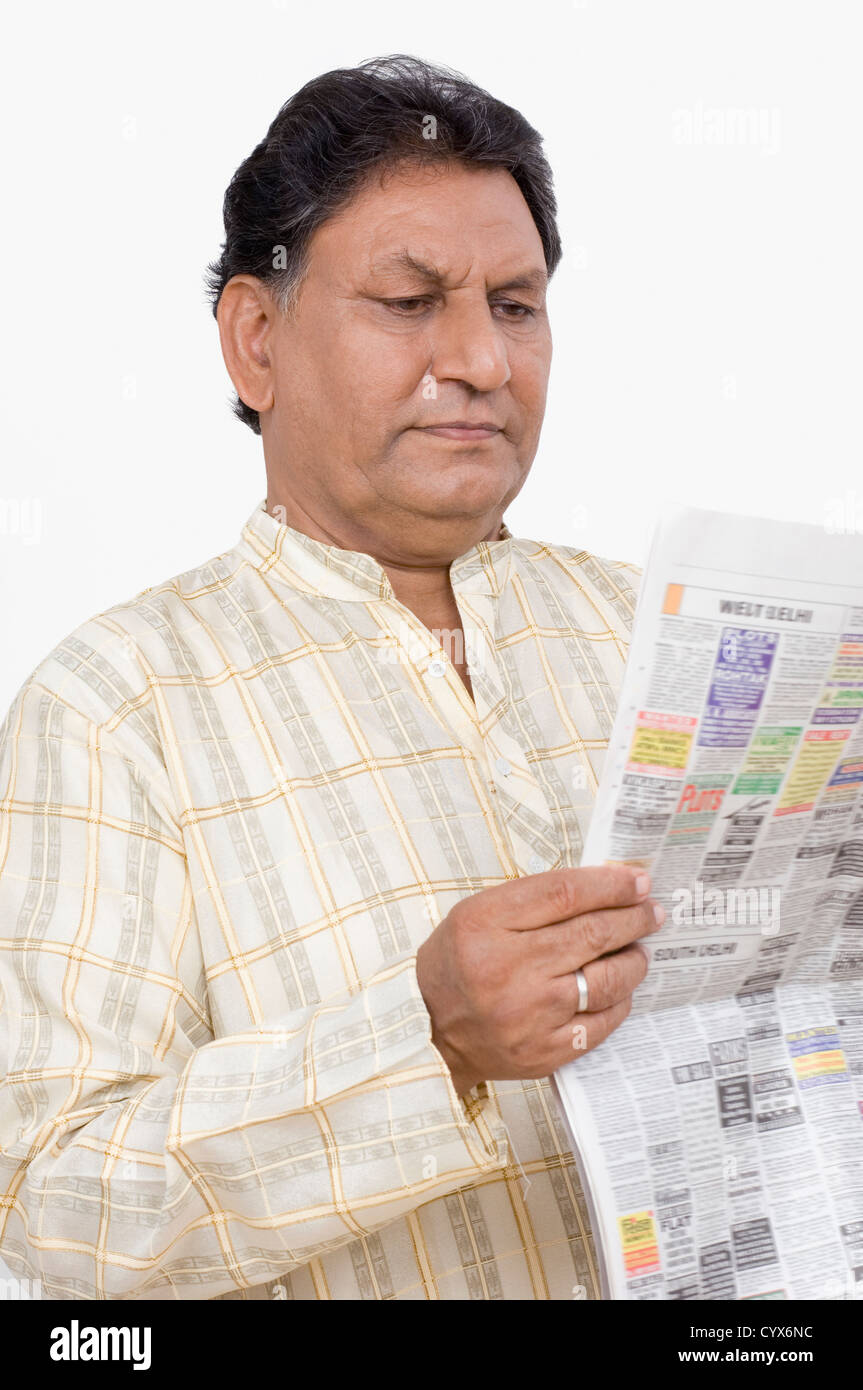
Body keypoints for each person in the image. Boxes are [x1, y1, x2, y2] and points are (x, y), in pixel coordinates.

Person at [0, 54, 663, 1300]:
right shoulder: (115, 706)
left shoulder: (655, 634)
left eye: (514, 305)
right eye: (410, 302)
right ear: (257, 343)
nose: (478, 358)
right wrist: (424, 1043)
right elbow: (52, 1205)